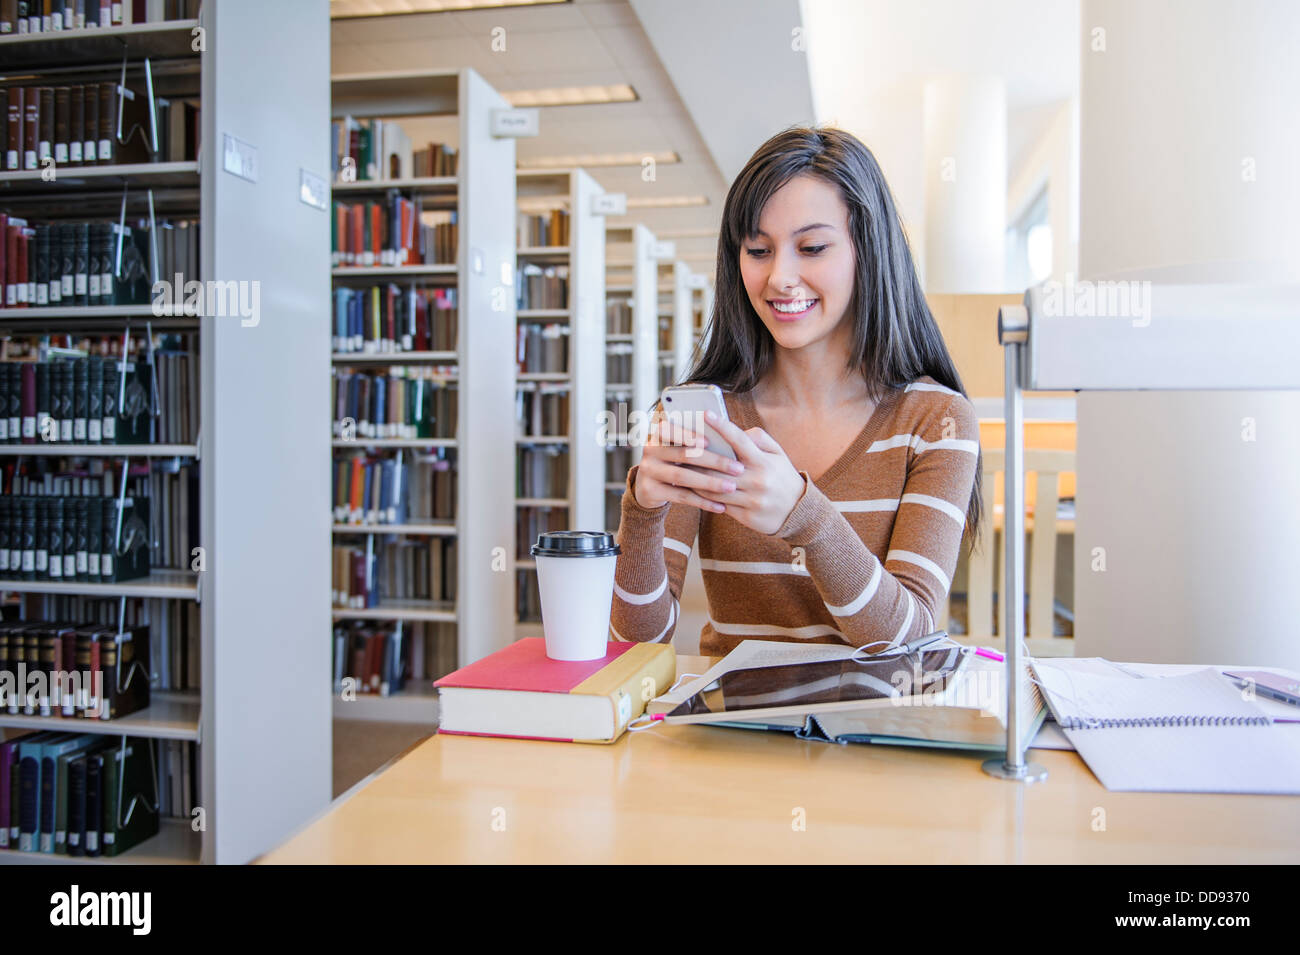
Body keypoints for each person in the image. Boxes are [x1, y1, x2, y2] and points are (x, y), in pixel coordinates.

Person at [610, 125, 983, 656]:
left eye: (812, 247)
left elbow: (909, 639)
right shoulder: (709, 416)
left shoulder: (935, 420)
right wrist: (642, 507)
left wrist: (803, 516)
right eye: (758, 250)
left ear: (867, 252)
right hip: (733, 723)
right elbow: (636, 641)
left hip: (873, 727)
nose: (780, 277)